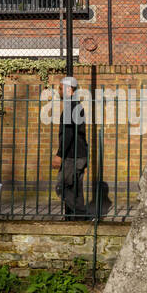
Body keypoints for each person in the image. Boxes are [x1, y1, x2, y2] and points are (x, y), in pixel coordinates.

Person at [52, 76, 89, 219]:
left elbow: (68, 133)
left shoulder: (71, 107)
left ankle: (80, 215)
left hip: (72, 156)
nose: (58, 91)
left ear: (69, 89)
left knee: (62, 187)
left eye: (60, 88)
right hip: (79, 155)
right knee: (75, 189)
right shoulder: (76, 106)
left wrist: (59, 154)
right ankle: (72, 219)